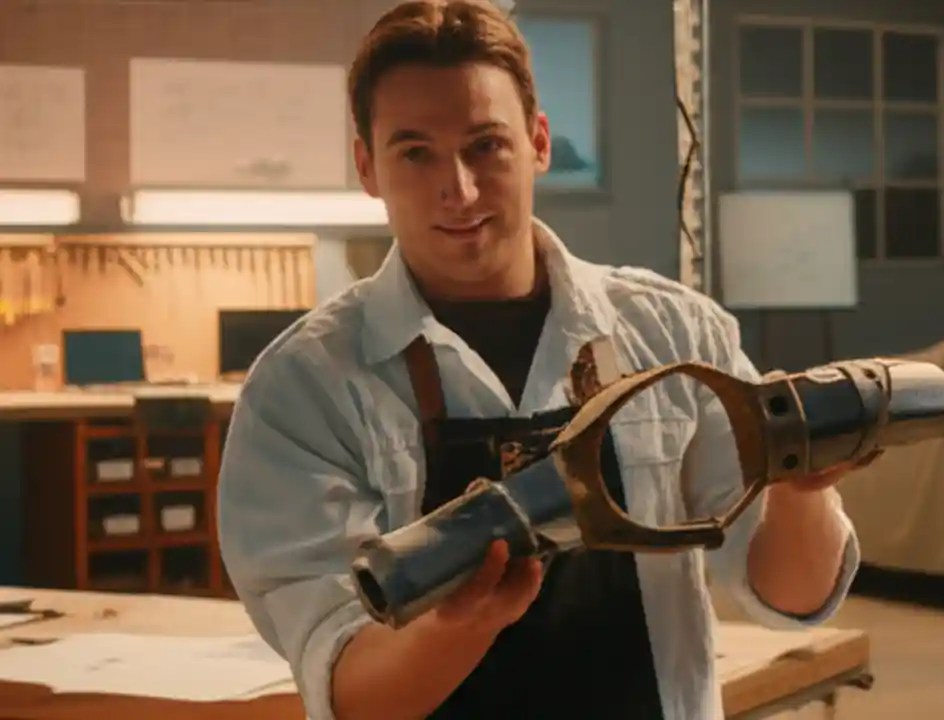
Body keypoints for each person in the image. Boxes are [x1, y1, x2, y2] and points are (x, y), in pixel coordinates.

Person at [216, 2, 865, 719]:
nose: (458, 189)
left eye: (485, 145)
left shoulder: (677, 336)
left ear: (539, 142)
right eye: (415, 152)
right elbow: (352, 696)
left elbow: (789, 597)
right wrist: (459, 628)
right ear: (367, 166)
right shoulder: (305, 391)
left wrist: (805, 492)